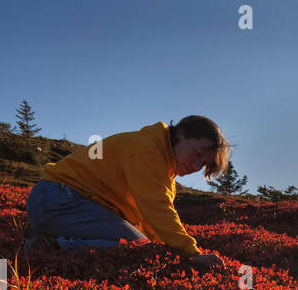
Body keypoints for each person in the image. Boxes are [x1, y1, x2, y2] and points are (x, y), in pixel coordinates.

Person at [23, 115, 229, 270]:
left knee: (143, 247)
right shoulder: (147, 151)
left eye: (203, 164)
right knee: (133, 246)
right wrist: (191, 252)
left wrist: (171, 253)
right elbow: (157, 208)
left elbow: (151, 222)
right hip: (57, 200)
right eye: (198, 154)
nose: (196, 165)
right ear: (182, 133)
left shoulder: (164, 166)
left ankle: (49, 236)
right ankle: (50, 245)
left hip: (66, 202)